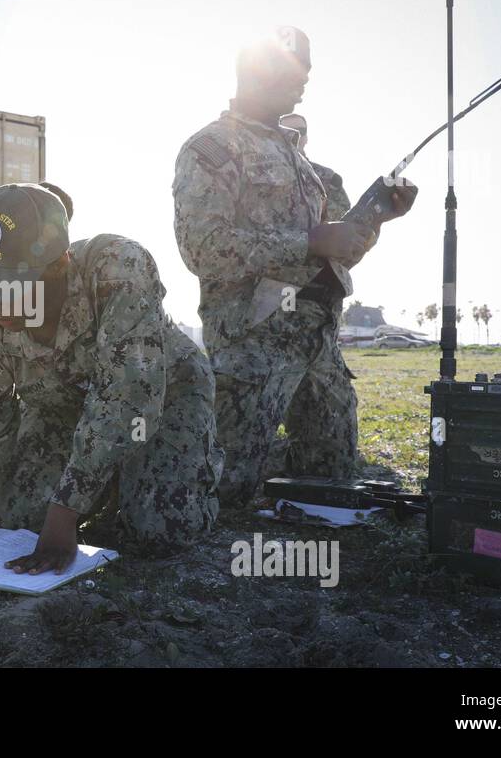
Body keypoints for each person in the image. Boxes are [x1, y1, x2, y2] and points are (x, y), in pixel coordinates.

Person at [0, 183, 222, 573]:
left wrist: (65, 510)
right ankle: (110, 483)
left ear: (60, 264)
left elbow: (130, 400)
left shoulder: (117, 268)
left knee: (159, 531)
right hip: (65, 416)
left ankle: (194, 470)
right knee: (17, 521)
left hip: (164, 402)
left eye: (11, 287)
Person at [171, 26, 416, 509]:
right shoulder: (214, 147)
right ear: (255, 73)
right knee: (228, 490)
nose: (303, 82)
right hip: (256, 337)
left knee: (330, 475)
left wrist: (376, 217)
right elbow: (202, 248)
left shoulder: (303, 164)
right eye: (291, 72)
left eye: (307, 73)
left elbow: (338, 251)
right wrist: (308, 239)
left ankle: (269, 465)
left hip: (318, 336)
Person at [280, 113, 350, 217]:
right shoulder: (264, 171)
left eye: (300, 131)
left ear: (306, 138)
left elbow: (343, 210)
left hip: (316, 232)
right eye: (288, 130)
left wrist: (319, 212)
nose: (295, 135)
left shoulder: (327, 177)